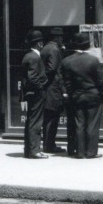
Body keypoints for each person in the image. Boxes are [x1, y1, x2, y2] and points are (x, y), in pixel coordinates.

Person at [58, 32, 103, 158]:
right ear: (87, 45)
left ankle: (79, 152)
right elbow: (100, 81)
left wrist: (70, 93)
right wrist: (102, 95)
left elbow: (65, 81)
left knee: (79, 124)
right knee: (92, 124)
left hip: (77, 96)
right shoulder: (93, 60)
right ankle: (90, 152)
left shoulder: (66, 61)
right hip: (93, 96)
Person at [18, 28, 61, 159]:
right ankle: (34, 151)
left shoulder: (29, 56)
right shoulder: (34, 57)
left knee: (31, 121)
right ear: (39, 43)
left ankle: (30, 150)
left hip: (32, 93)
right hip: (36, 94)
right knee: (35, 122)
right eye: (41, 42)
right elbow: (33, 77)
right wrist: (41, 87)